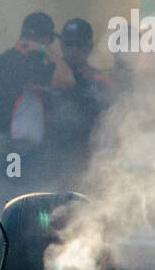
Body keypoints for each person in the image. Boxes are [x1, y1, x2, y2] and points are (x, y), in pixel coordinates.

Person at [0, 11, 70, 192]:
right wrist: (45, 51)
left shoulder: (6, 59)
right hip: (16, 149)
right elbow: (66, 80)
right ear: (45, 38)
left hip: (6, 147)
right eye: (50, 41)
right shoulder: (26, 62)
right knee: (20, 199)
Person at [48, 17, 112, 183]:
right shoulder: (48, 75)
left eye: (80, 45)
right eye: (69, 44)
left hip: (85, 162)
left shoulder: (100, 81)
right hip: (50, 160)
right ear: (62, 46)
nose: (74, 50)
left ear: (89, 48)